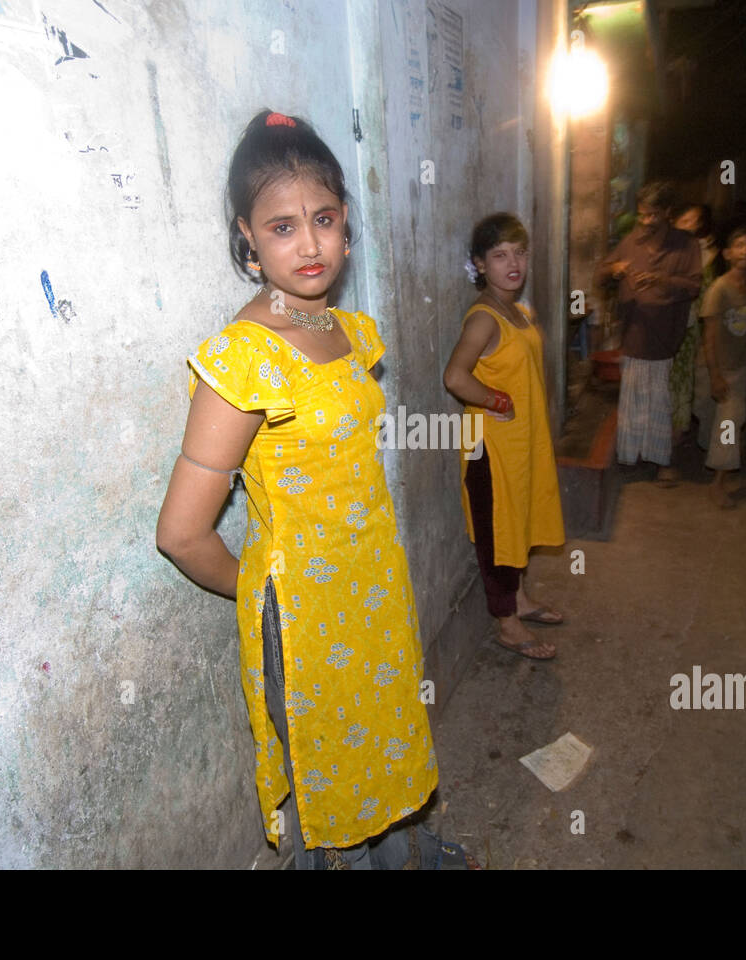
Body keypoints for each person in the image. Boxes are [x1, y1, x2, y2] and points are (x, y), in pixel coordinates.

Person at [155, 110, 472, 870]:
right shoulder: (242, 363)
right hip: (301, 616)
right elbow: (180, 533)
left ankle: (408, 857)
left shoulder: (349, 332)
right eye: (283, 227)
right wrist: (266, 590)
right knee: (331, 776)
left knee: (387, 737)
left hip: (372, 587)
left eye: (324, 220)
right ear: (248, 238)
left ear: (346, 225)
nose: (309, 245)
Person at [444, 213, 566, 660]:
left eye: (519, 252)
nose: (512, 263)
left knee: (521, 519)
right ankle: (508, 624)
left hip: (521, 443)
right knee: (498, 530)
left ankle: (522, 599)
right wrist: (495, 402)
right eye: (499, 255)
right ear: (480, 265)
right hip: (490, 447)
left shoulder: (520, 310)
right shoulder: (483, 318)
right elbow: (455, 376)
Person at [595, 182, 703, 482]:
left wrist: (660, 280)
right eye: (642, 215)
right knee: (633, 398)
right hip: (634, 333)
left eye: (652, 215)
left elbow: (694, 286)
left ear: (668, 213)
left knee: (659, 400)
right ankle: (631, 457)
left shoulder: (686, 245)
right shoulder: (632, 242)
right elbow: (601, 273)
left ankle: (661, 459)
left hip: (665, 335)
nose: (645, 221)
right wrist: (615, 269)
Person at [694, 226, 746, 508]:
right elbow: (709, 335)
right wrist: (714, 375)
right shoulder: (719, 290)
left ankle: (718, 482)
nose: (745, 251)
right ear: (727, 253)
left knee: (730, 421)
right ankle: (714, 456)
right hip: (711, 366)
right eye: (739, 245)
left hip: (739, 368)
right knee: (706, 415)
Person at [669, 204, 719, 452]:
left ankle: (672, 445)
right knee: (667, 385)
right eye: (683, 219)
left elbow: (706, 299)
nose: (688, 225)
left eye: (693, 221)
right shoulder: (667, 251)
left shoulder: (706, 256)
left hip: (689, 331)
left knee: (682, 384)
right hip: (664, 329)